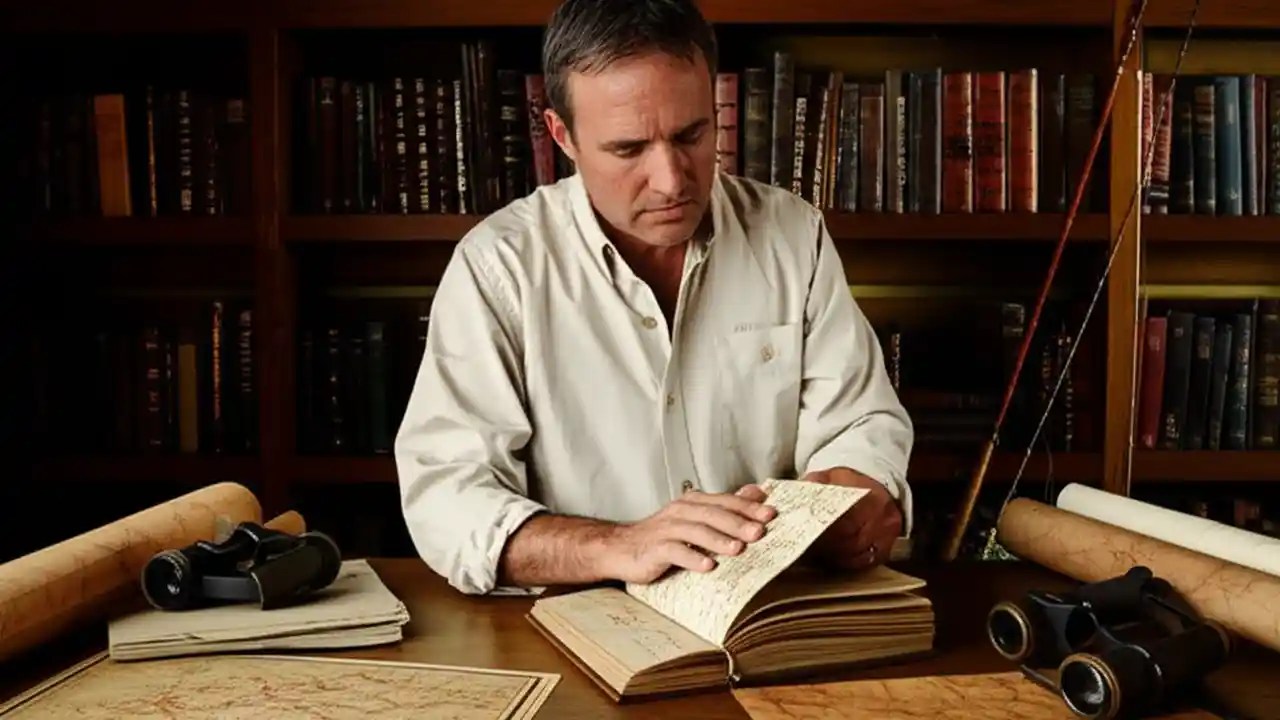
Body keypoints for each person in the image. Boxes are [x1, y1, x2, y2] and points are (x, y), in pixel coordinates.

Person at [395, 0, 914, 595]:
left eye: (692, 135)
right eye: (628, 148)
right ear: (562, 135)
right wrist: (619, 545)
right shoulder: (499, 267)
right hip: (580, 626)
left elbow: (862, 421)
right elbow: (447, 499)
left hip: (769, 617)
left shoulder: (793, 234)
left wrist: (861, 485)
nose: (671, 180)